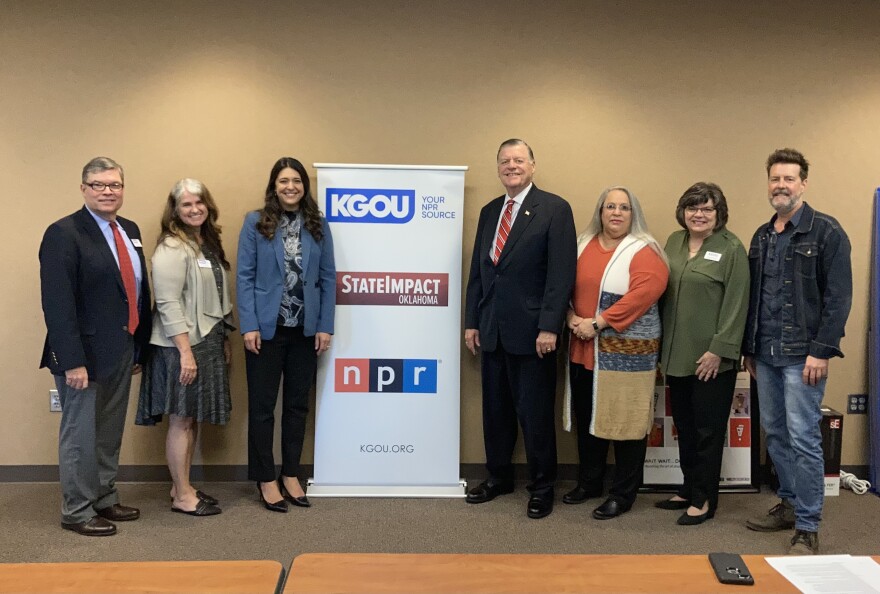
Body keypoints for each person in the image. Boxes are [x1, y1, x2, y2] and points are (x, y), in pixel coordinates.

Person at [742, 148, 852, 555]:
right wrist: (748, 349)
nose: (781, 186)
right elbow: (754, 296)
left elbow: (839, 298)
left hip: (804, 356)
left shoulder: (826, 231)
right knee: (775, 433)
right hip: (765, 354)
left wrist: (822, 351)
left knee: (804, 437)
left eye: (789, 179)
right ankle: (788, 502)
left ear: (803, 183)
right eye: (775, 179)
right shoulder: (762, 234)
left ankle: (808, 525)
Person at [39, 157, 152, 536]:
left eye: (115, 185)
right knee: (80, 434)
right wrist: (71, 361)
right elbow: (57, 303)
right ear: (84, 188)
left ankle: (104, 497)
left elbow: (135, 292)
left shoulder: (130, 229)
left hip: (121, 348)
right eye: (99, 185)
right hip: (82, 356)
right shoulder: (64, 233)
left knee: (108, 430)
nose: (108, 191)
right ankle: (77, 509)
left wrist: (138, 346)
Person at [464, 139, 577, 519]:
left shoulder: (554, 209)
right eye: (504, 161)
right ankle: (498, 477)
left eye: (518, 160)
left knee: (535, 413)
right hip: (492, 328)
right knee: (495, 412)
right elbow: (480, 271)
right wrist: (472, 322)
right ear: (498, 167)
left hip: (534, 334)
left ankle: (542, 486)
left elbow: (561, 275)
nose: (511, 166)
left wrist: (550, 326)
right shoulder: (490, 211)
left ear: (532, 165)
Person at [562, 186, 668, 520]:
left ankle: (623, 494)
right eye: (610, 206)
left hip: (625, 356)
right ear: (600, 211)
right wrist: (571, 318)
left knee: (626, 425)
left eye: (624, 207)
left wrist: (599, 322)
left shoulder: (644, 249)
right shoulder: (581, 245)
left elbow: (646, 291)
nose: (616, 213)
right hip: (582, 349)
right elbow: (561, 284)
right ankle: (590, 483)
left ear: (633, 214)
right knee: (589, 422)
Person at [237, 157, 336, 513]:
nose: (290, 186)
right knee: (262, 408)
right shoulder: (255, 222)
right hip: (265, 330)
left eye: (296, 180)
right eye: (283, 181)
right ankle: (266, 478)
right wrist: (248, 324)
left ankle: (291, 474)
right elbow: (244, 277)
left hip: (305, 331)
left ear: (304, 186)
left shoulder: (317, 224)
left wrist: (325, 325)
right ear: (274, 186)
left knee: (297, 405)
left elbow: (328, 278)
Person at [136, 179, 233, 517]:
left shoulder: (204, 243)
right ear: (175, 210)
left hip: (206, 339)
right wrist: (186, 353)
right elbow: (167, 302)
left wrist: (223, 338)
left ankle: (183, 486)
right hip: (180, 345)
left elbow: (216, 296)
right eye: (186, 204)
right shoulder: (172, 248)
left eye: (199, 203)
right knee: (180, 420)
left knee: (190, 420)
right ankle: (181, 496)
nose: (195, 209)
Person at [656, 182, 749, 525]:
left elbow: (737, 305)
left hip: (711, 360)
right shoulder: (672, 242)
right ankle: (687, 487)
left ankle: (705, 498)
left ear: (719, 213)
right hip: (676, 356)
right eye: (693, 207)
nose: (699, 214)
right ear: (683, 211)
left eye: (707, 208)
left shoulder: (731, 248)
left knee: (708, 431)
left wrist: (718, 350)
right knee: (685, 426)